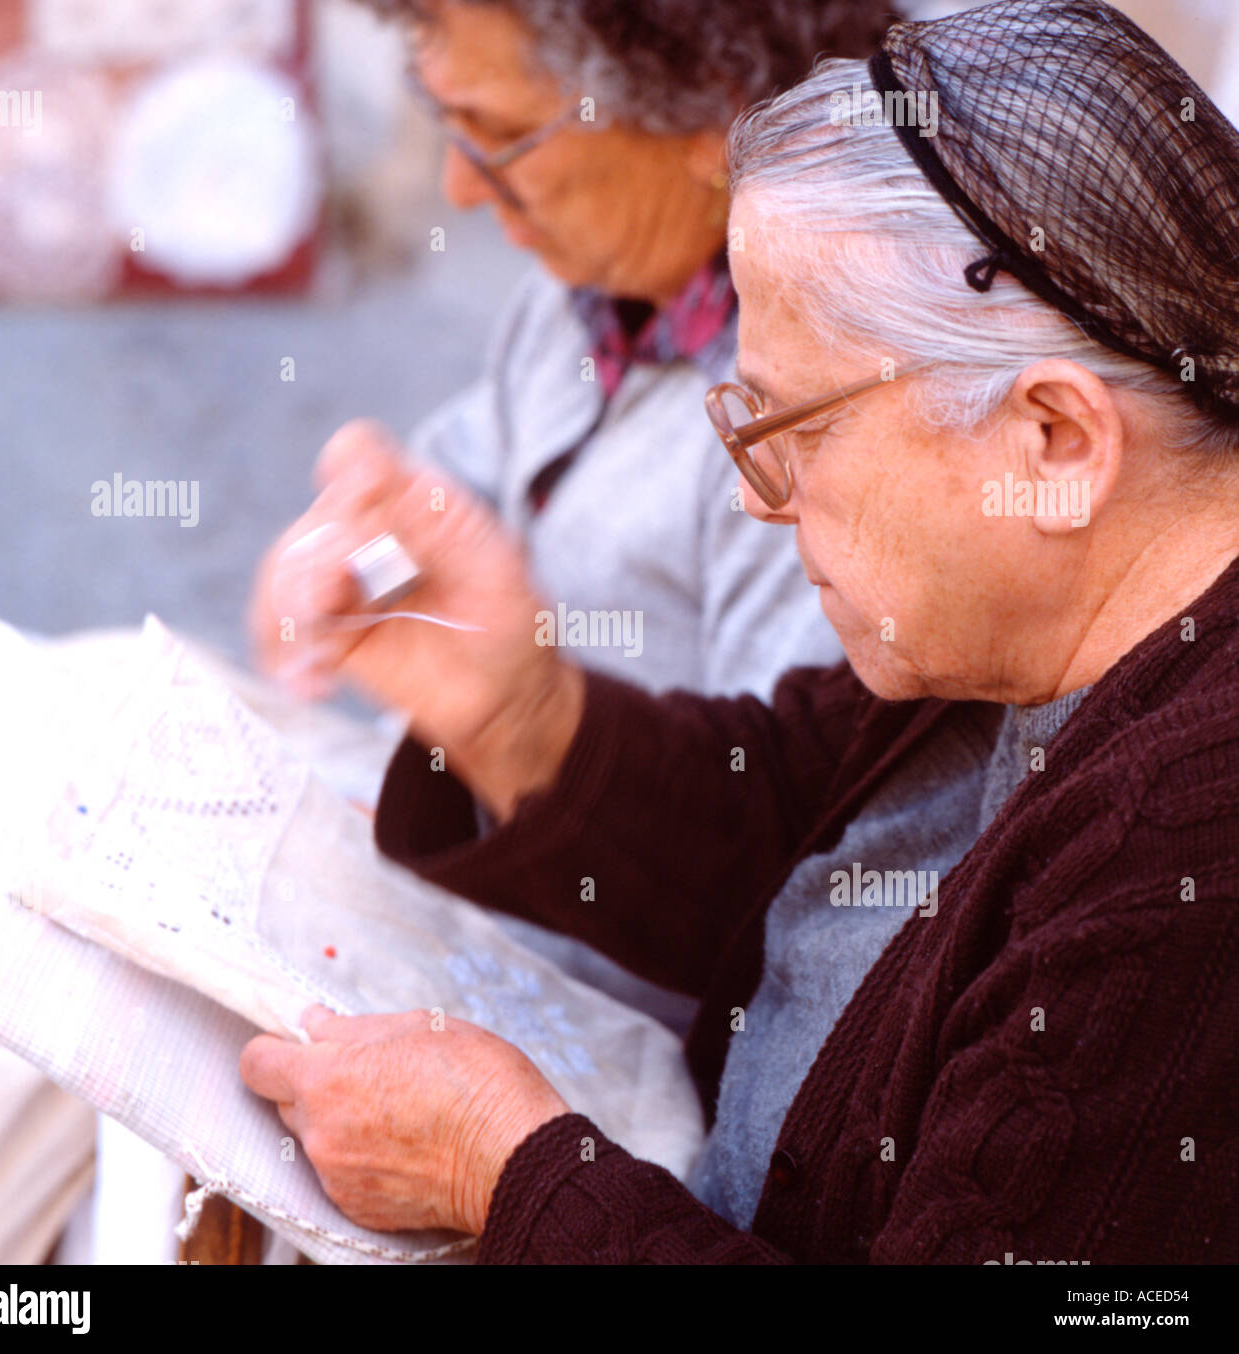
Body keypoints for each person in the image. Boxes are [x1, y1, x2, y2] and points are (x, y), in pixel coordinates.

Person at [241, 0, 1239, 1262]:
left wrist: (506, 1173)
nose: (759, 503)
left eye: (794, 435)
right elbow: (773, 808)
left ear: (1055, 440)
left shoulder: (1188, 867)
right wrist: (519, 716)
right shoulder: (1042, 623)